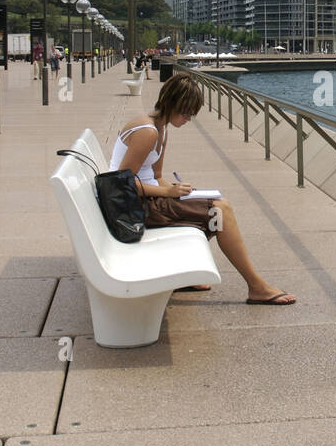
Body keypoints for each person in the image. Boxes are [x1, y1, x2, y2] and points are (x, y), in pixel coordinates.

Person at [109, 73, 296, 305]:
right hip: (133, 209)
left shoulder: (160, 128)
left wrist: (181, 192)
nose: (189, 118)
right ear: (171, 104)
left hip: (145, 201)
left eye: (192, 114)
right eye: (186, 112)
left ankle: (182, 274)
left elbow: (156, 176)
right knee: (220, 212)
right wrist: (169, 194)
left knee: (214, 205)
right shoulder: (148, 131)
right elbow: (121, 183)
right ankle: (256, 287)